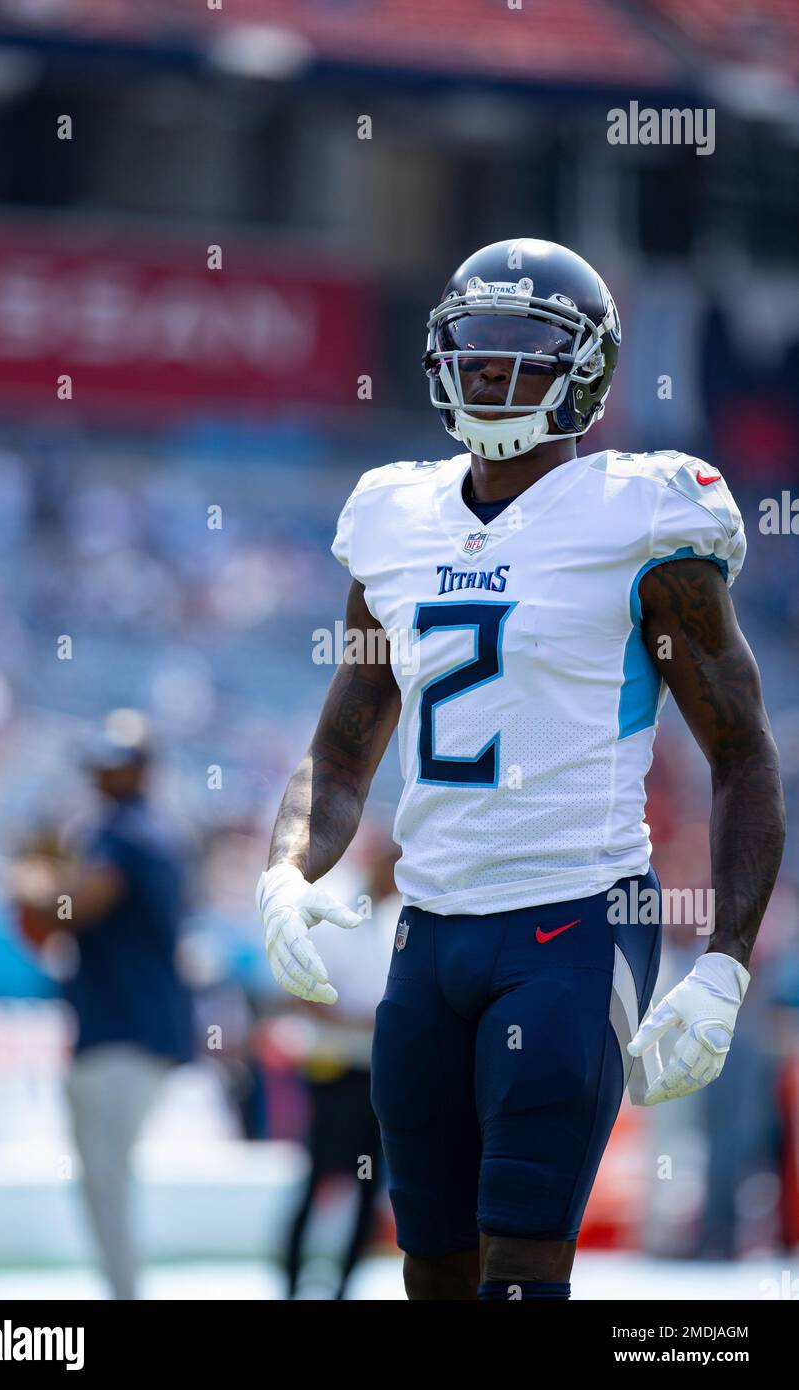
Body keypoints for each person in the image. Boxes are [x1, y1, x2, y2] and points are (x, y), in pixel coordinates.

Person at [255, 239, 785, 1301]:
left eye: (524, 354)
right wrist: (288, 868)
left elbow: (738, 751)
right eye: (475, 350)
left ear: (584, 370)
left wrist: (723, 960)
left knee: (522, 1270)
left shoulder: (640, 514)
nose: (493, 376)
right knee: (431, 1268)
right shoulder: (391, 517)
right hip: (429, 931)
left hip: (570, 922)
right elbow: (343, 742)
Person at [12, 709, 193, 1299]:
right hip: (122, 1031)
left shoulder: (129, 834)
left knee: (107, 1182)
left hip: (124, 1036)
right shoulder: (139, 831)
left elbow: (68, 908)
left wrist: (31, 880)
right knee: (103, 1183)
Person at [282, 840, 398, 1299]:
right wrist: (357, 1021)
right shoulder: (332, 910)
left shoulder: (399, 921)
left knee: (367, 1194)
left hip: (378, 1073)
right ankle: (292, 1285)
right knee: (317, 1184)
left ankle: (342, 1287)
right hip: (335, 1071)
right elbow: (302, 989)